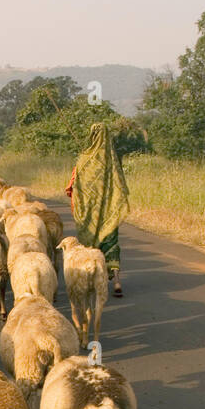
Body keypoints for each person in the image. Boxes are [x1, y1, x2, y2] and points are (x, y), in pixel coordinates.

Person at [65, 122, 129, 297]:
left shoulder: (84, 161)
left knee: (90, 246)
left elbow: (71, 187)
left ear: (91, 136)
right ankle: (116, 281)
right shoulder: (113, 160)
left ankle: (90, 280)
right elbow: (121, 187)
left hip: (89, 216)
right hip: (109, 213)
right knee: (111, 244)